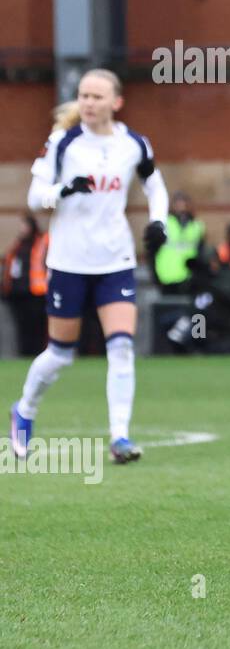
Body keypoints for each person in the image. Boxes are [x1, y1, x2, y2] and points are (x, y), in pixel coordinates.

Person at [9, 68, 168, 464]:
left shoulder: (133, 144)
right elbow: (34, 198)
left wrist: (159, 221)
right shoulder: (64, 142)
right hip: (69, 262)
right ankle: (24, 410)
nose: (88, 103)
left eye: (97, 97)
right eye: (83, 96)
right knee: (61, 353)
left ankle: (120, 438)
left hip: (115, 260)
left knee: (122, 346)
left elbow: (154, 185)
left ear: (116, 102)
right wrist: (64, 190)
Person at [1, 215, 49, 357]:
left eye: (24, 225)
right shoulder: (18, 244)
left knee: (38, 327)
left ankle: (39, 353)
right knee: (23, 327)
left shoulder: (42, 241)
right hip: (18, 293)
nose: (22, 229)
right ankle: (25, 353)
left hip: (37, 293)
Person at [151, 191, 206, 294]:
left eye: (184, 203)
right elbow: (152, 251)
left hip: (189, 277)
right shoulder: (164, 223)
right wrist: (154, 275)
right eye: (178, 203)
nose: (181, 207)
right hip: (167, 275)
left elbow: (200, 251)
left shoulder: (197, 225)